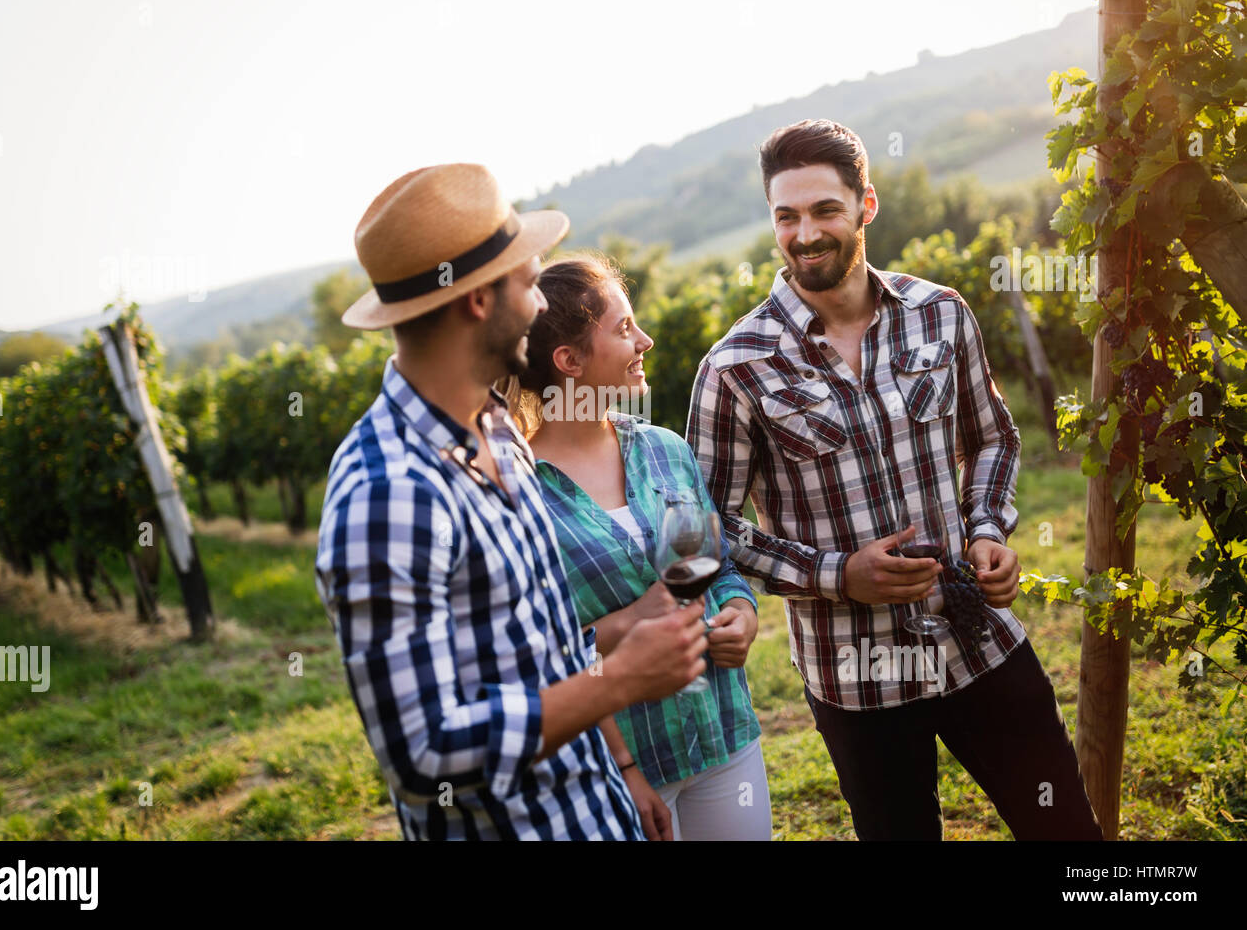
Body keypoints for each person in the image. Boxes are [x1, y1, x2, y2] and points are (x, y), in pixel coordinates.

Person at [686, 119, 1104, 840]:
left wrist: (987, 531)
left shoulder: (940, 314)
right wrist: (836, 573)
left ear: (866, 206)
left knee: (1065, 831)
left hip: (979, 641)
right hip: (855, 678)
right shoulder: (735, 367)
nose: (805, 233)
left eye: (824, 210)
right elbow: (709, 529)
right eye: (786, 216)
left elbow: (994, 437)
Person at [315, 163, 709, 840]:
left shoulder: (498, 428)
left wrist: (612, 640)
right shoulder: (389, 493)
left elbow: (532, 652)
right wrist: (617, 682)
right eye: (527, 283)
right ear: (477, 301)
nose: (537, 304)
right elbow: (423, 754)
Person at [508, 252, 772, 841]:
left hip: (722, 734)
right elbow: (527, 656)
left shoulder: (663, 450)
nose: (645, 340)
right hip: (616, 770)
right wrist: (623, 624)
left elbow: (715, 568)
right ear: (569, 361)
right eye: (624, 329)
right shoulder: (517, 494)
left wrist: (740, 610)